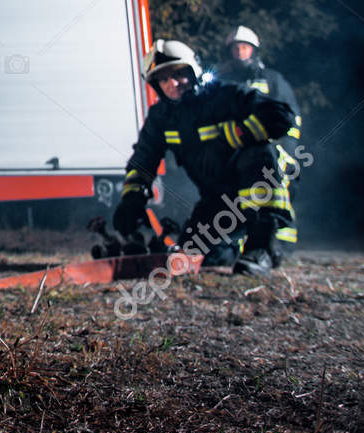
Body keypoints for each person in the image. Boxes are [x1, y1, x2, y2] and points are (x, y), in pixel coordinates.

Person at [113, 40, 295, 277]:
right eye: (164, 79)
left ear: (193, 71)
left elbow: (280, 116)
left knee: (258, 154)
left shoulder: (224, 95)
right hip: (217, 201)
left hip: (251, 189)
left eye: (179, 74)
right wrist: (132, 198)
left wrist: (235, 135)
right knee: (198, 255)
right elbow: (143, 159)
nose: (173, 84)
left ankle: (262, 247)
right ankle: (237, 245)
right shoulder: (162, 116)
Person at [214, 25, 303, 258]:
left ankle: (280, 245)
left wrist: (288, 153)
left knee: (276, 196)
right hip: (235, 152)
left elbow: (291, 120)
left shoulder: (273, 80)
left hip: (272, 150)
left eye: (244, 48)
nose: (240, 53)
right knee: (239, 200)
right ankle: (245, 245)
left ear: (253, 50)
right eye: (235, 49)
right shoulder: (221, 80)